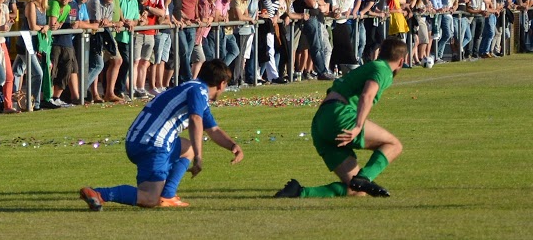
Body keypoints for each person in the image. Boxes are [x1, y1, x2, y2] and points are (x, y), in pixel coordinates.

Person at [79, 60, 243, 210]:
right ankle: (99, 194)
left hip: (138, 140)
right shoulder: (199, 91)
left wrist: (232, 145)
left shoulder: (191, 88)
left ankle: (168, 196)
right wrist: (199, 157)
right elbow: (195, 119)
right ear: (222, 84)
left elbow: (213, 129)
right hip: (153, 144)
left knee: (188, 148)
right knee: (149, 198)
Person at [275, 37, 408, 199]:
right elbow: (367, 95)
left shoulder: (370, 66)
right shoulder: (383, 69)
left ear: (380, 52)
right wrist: (358, 126)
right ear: (401, 61)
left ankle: (299, 192)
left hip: (321, 123)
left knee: (357, 191)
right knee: (394, 145)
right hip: (339, 115)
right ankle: (365, 178)